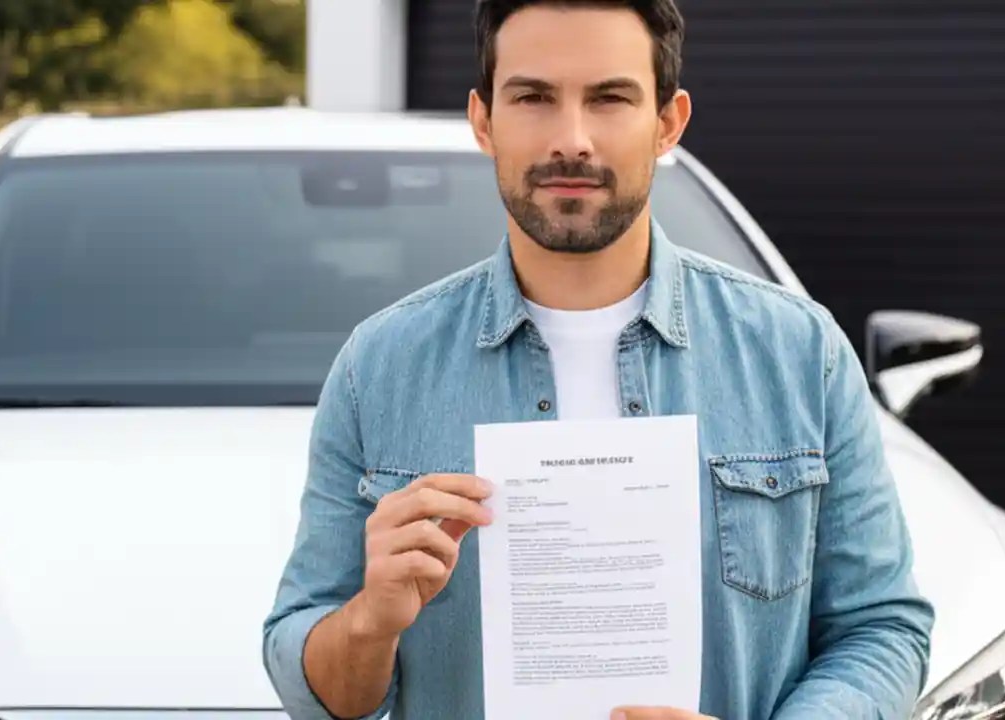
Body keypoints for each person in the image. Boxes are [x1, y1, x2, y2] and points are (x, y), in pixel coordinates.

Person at [262, 0, 935, 718]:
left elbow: (883, 629)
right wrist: (370, 622)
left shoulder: (800, 352)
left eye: (610, 98)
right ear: (484, 120)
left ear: (668, 123)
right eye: (534, 97)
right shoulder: (380, 367)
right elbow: (315, 680)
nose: (572, 139)